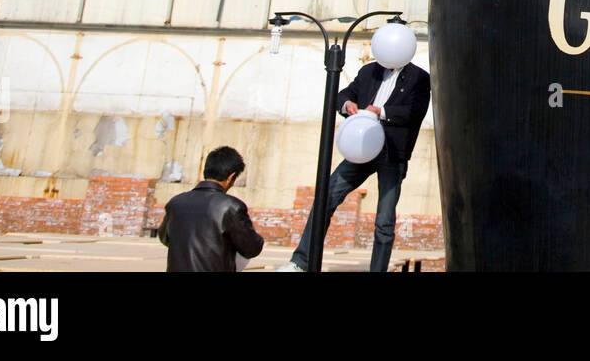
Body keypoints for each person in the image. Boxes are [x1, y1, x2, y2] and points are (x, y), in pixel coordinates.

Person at [281, 42, 430, 272]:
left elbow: (414, 112)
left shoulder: (419, 77)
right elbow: (344, 94)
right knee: (326, 196)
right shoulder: (369, 70)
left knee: (384, 221)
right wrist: (347, 104)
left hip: (391, 153)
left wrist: (381, 112)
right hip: (361, 146)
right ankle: (301, 262)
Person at [159, 146, 264, 272]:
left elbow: (164, 238)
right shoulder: (232, 207)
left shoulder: (176, 203)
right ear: (231, 177)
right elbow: (251, 248)